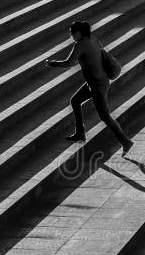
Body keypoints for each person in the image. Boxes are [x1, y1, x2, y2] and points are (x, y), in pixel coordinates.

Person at [45, 21, 134, 155]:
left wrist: (52, 63)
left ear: (79, 33)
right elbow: (92, 56)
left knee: (104, 115)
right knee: (75, 101)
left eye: (73, 34)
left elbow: (69, 63)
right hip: (97, 82)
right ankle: (80, 133)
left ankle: (125, 141)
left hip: (97, 85)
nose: (72, 37)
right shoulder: (93, 38)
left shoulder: (80, 45)